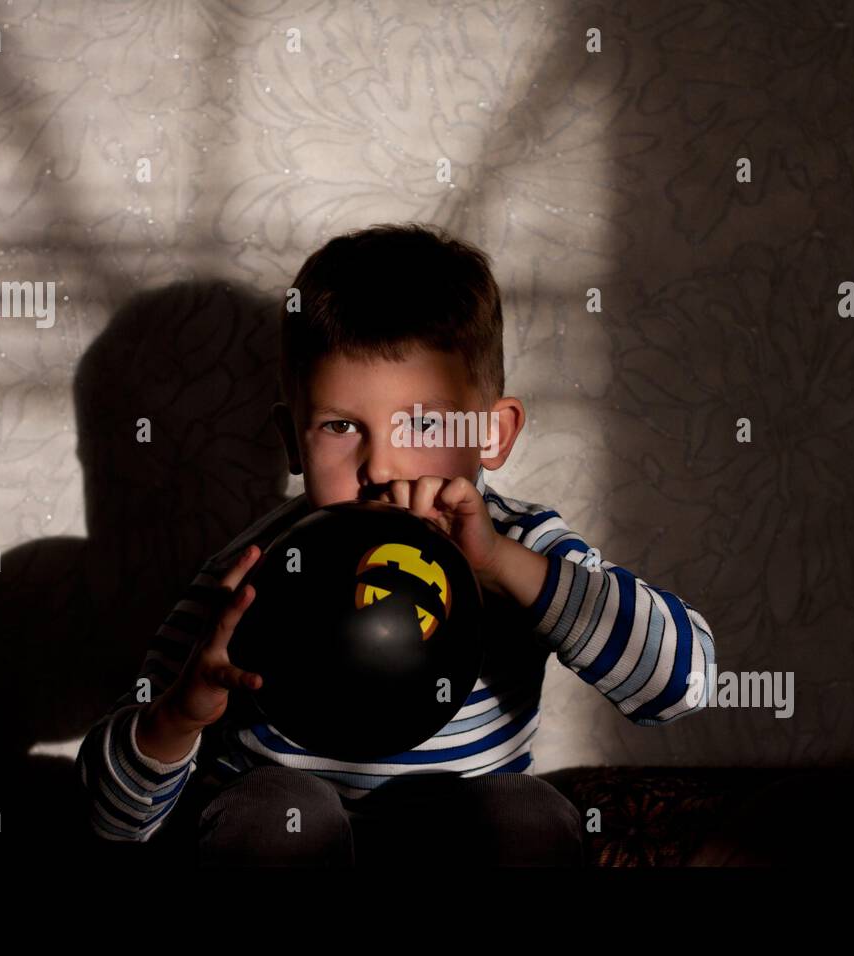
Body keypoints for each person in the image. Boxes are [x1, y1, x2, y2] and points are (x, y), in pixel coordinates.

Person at [74, 222, 716, 867]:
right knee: (274, 812)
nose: (381, 464)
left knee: (526, 813)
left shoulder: (519, 545)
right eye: (340, 426)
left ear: (494, 432)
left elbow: (684, 685)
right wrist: (180, 715)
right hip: (297, 840)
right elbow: (111, 819)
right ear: (293, 441)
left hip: (456, 847)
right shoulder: (250, 575)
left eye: (425, 422)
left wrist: (504, 568)